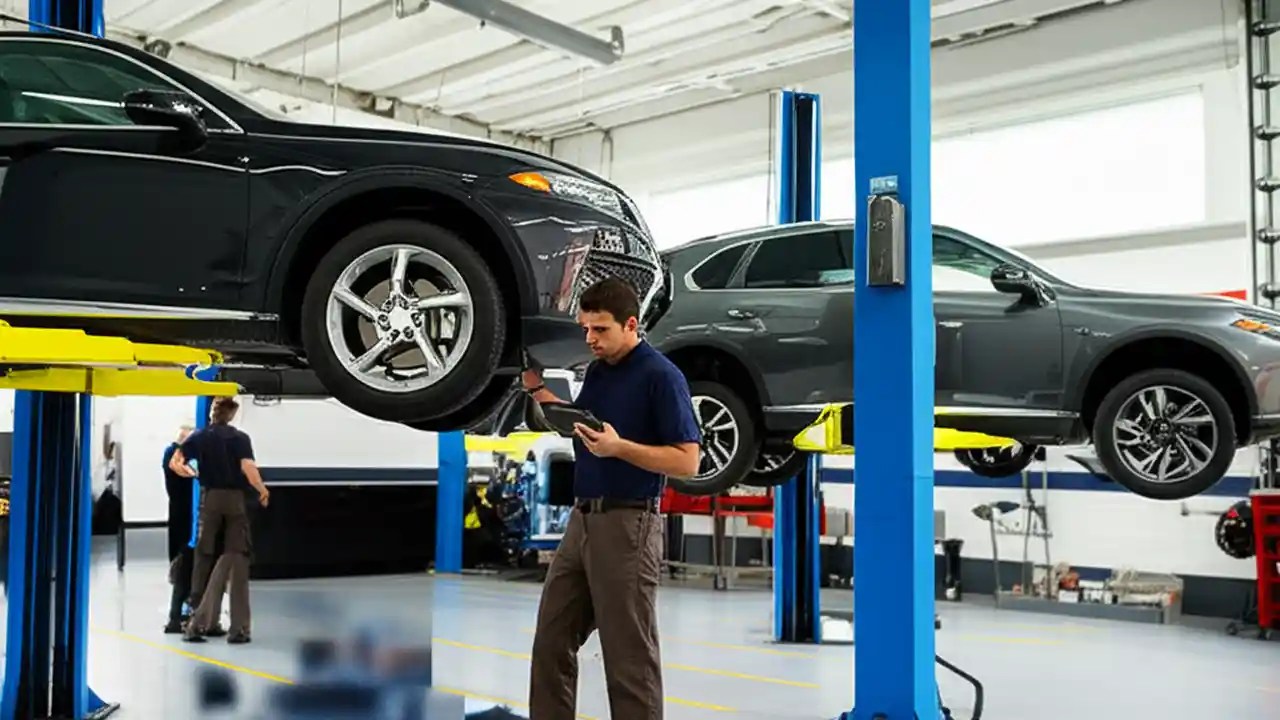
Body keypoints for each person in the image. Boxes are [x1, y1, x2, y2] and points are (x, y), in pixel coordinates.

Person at [525, 277, 702, 719]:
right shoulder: (600, 372)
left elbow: (688, 461)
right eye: (586, 328)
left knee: (629, 657)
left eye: (600, 330)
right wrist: (535, 389)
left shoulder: (661, 377)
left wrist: (620, 447)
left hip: (629, 525)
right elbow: (583, 428)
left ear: (631, 324)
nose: (591, 339)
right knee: (551, 640)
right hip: (582, 520)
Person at [169, 396, 270, 644]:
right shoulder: (240, 438)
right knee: (236, 558)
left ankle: (199, 622)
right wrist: (261, 489)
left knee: (204, 558)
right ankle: (238, 629)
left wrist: (190, 473)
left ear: (213, 414)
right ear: (232, 414)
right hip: (234, 500)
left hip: (210, 499)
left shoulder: (199, 437)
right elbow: (248, 468)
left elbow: (176, 462)